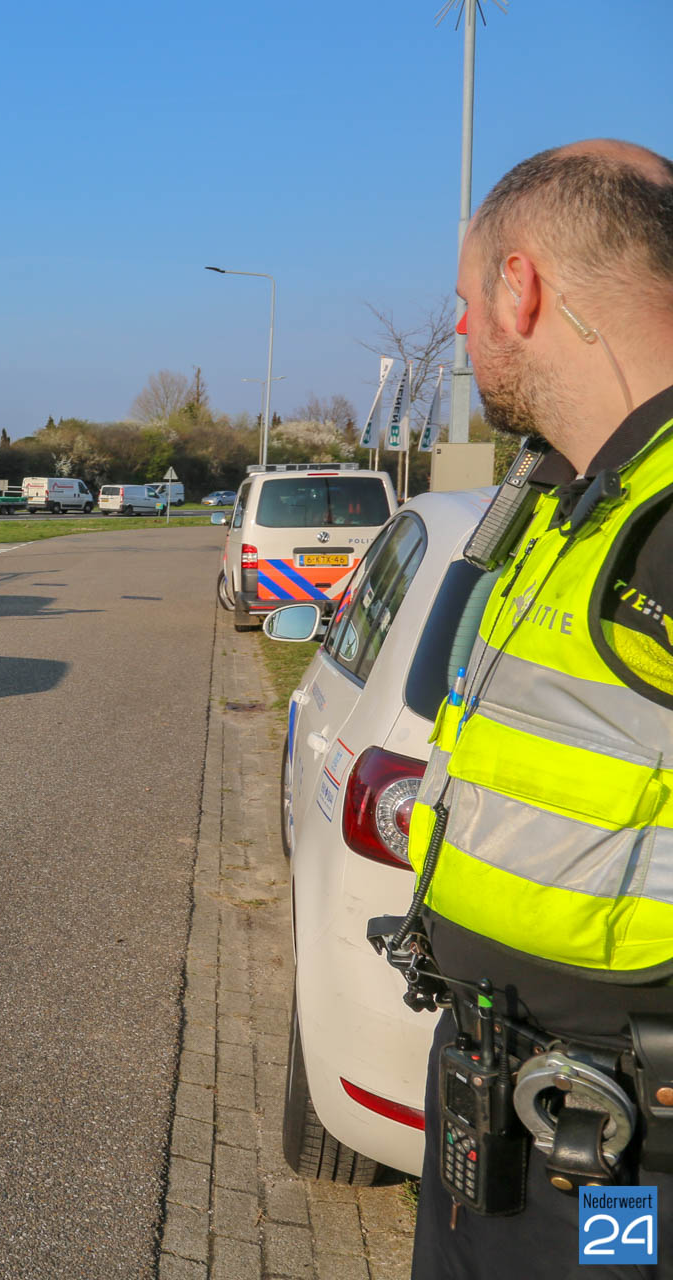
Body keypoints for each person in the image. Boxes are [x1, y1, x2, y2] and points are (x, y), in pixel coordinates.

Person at [404, 140, 673, 1278]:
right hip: (502, 1096)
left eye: (467, 303)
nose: (461, 333)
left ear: (522, 287)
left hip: (622, 1159)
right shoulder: (573, 491)